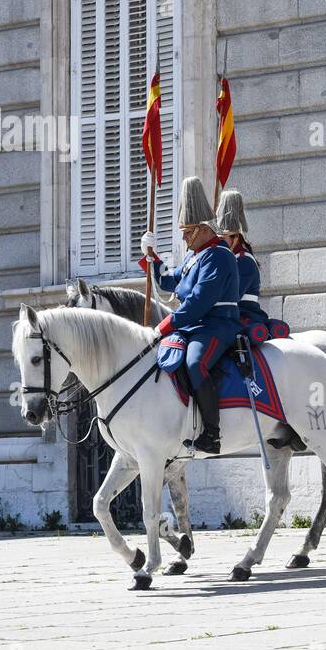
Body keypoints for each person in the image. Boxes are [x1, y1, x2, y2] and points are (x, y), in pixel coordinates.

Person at [140, 176, 241, 454]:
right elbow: (170, 281)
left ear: (200, 229)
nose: (183, 237)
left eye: (186, 231)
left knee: (196, 362)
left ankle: (212, 433)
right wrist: (153, 257)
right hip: (195, 326)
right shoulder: (195, 256)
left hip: (217, 325)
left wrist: (165, 324)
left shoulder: (219, 256)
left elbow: (198, 302)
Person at [213, 189, 272, 341]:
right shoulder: (228, 258)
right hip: (228, 317)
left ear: (235, 238)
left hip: (245, 317)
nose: (219, 243)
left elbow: (232, 297)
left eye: (223, 239)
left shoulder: (243, 261)